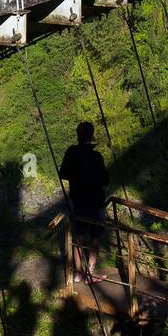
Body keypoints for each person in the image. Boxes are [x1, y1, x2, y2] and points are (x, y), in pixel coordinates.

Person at [59, 121, 109, 283]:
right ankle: (90, 273)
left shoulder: (71, 153)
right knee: (95, 238)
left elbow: (63, 174)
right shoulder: (96, 156)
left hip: (79, 200)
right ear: (91, 135)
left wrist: (77, 176)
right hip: (95, 202)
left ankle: (78, 274)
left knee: (79, 237)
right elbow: (105, 180)